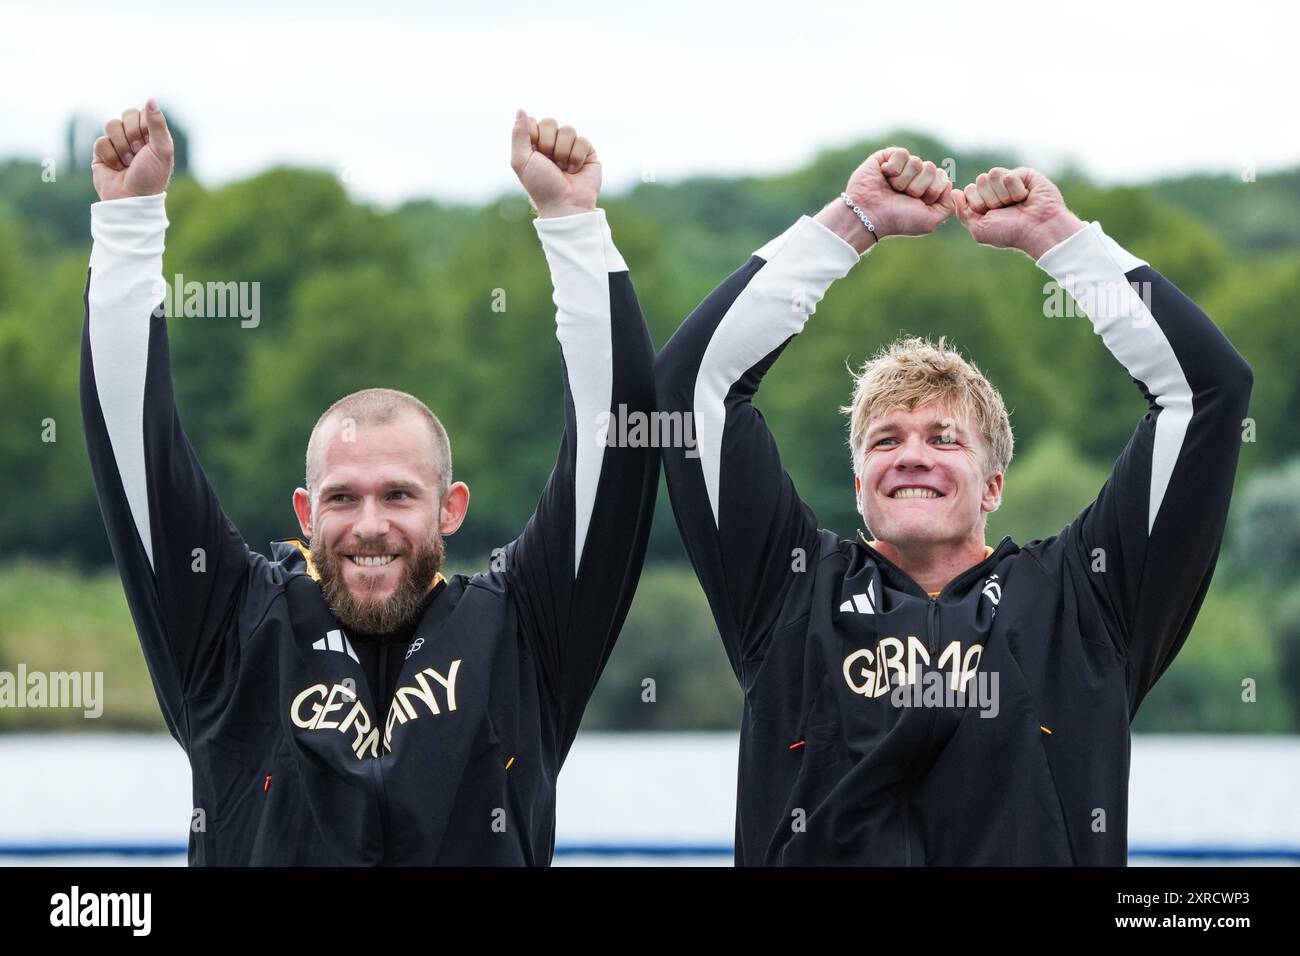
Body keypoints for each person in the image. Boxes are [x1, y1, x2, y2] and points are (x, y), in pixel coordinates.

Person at [81, 101, 658, 864]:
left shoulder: (522, 634)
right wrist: (129, 226)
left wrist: (572, 223)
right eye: (342, 498)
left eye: (399, 495)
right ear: (304, 512)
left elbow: (616, 447)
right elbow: (133, 446)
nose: (369, 524)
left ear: (451, 508)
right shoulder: (231, 630)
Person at [654, 147, 1253, 865]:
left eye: (944, 438)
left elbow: (1207, 391)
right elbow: (693, 387)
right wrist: (853, 223)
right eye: (885, 440)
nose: (912, 455)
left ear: (993, 485)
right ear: (857, 487)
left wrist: (1057, 239)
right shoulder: (788, 592)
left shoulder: (1086, 602)